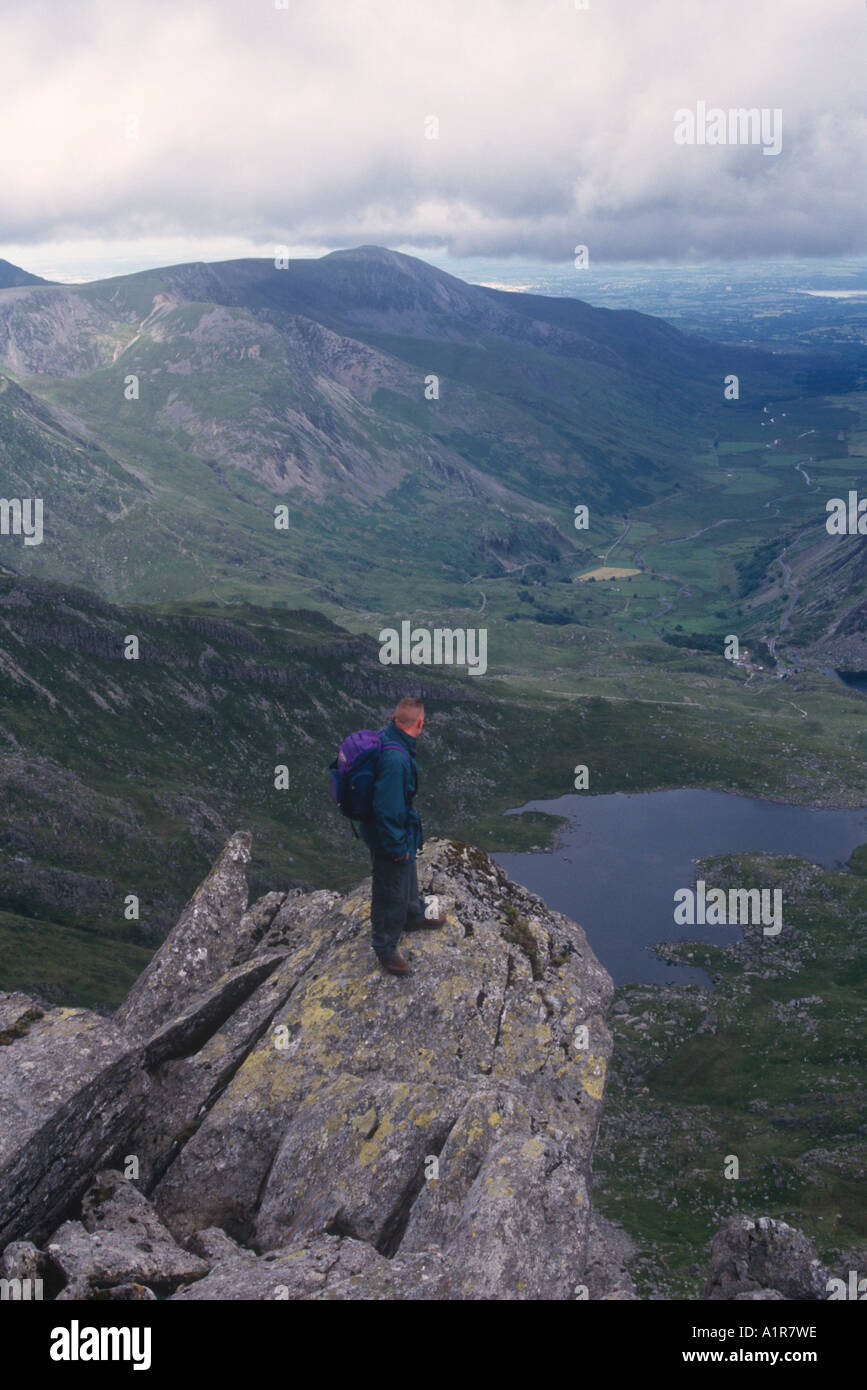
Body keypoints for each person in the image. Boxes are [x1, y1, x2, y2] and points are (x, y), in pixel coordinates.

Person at [360, 697, 446, 975]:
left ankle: (412, 914)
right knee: (389, 887)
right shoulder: (396, 758)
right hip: (388, 834)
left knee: (407, 872)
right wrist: (396, 845)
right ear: (420, 723)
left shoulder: (389, 737)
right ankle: (385, 949)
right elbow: (387, 808)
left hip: (396, 828)